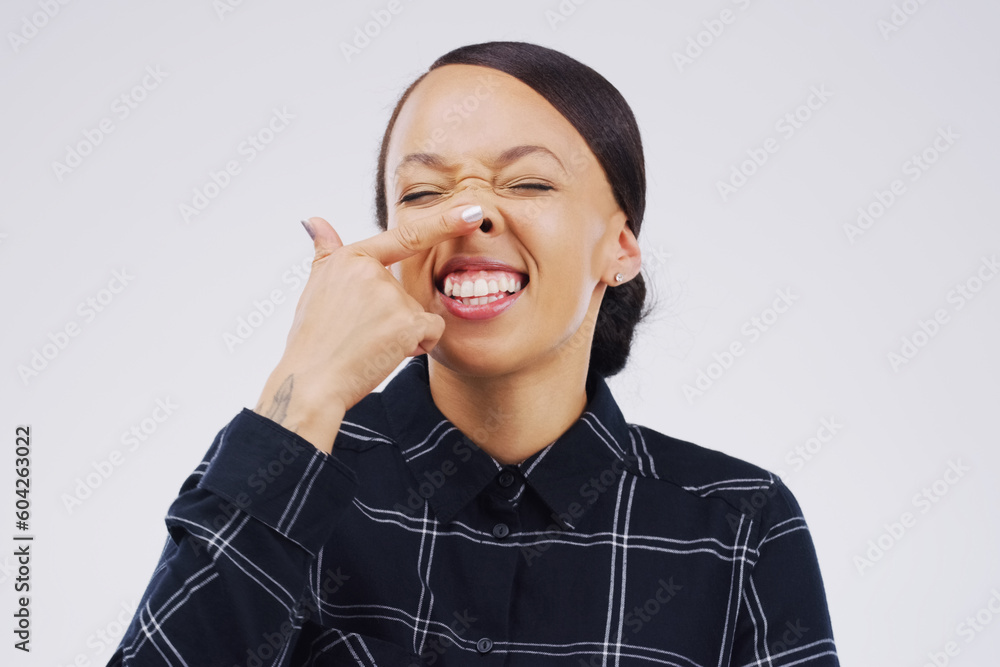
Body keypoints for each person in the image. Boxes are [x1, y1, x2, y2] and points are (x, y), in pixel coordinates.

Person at [109, 41, 839, 666]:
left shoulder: (739, 526)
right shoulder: (284, 468)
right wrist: (309, 389)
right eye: (424, 192)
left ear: (620, 248)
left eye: (528, 182)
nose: (471, 215)